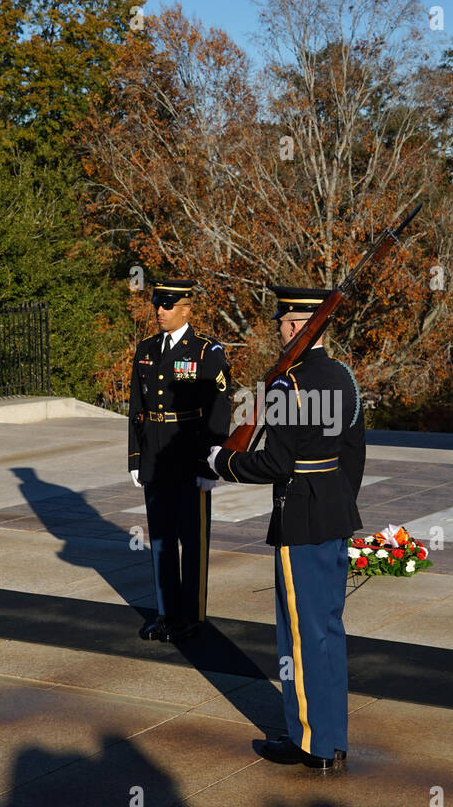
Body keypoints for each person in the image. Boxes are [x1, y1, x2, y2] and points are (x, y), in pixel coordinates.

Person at [206, 285, 365, 770]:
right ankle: (332, 738)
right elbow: (354, 454)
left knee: (300, 636)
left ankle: (310, 745)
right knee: (329, 630)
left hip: (298, 518)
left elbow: (275, 463)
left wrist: (222, 461)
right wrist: (339, 503)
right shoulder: (344, 377)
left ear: (297, 325)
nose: (278, 330)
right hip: (334, 514)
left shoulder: (286, 385)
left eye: (281, 323)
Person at [128, 279, 232, 642]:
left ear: (187, 309)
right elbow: (137, 408)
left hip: (189, 456)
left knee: (192, 539)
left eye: (168, 305)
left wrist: (210, 465)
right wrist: (135, 457)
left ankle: (191, 616)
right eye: (157, 303)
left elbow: (219, 410)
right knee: (160, 539)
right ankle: (165, 612)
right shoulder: (146, 349)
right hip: (155, 455)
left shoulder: (206, 351)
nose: (160, 311)